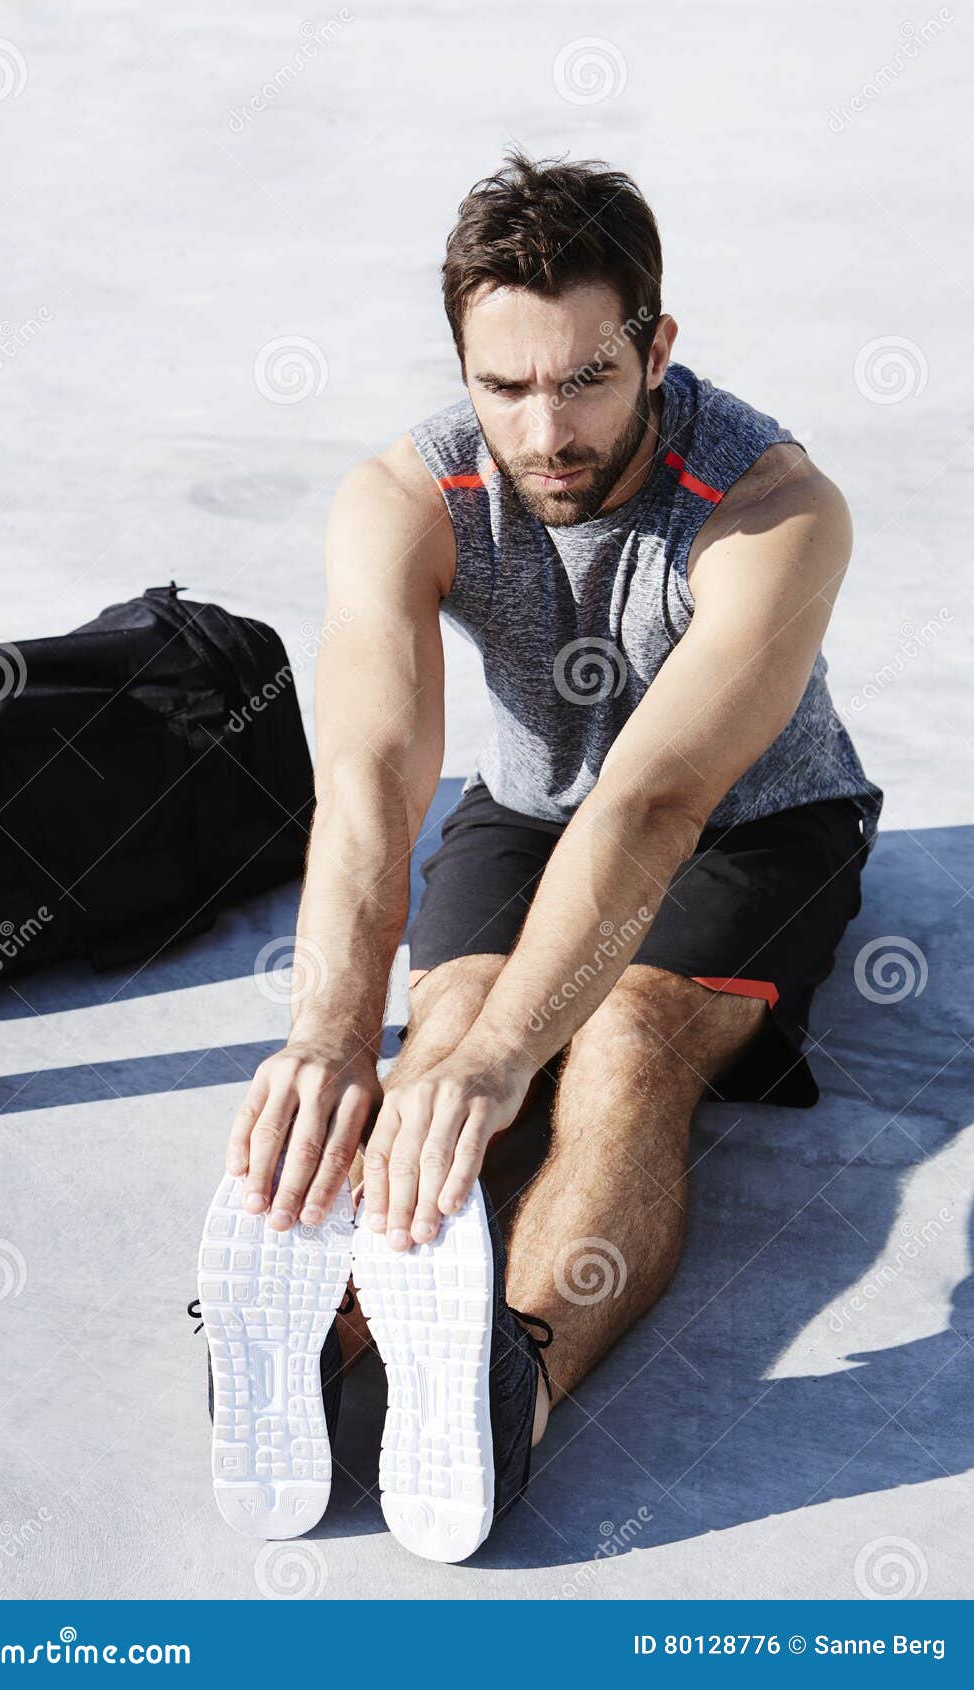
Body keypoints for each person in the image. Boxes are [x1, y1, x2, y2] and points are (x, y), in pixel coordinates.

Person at [203, 147, 884, 1563]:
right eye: (504, 385)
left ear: (657, 346)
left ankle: (505, 1380)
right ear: (461, 364)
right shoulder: (405, 494)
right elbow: (379, 777)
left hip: (755, 820)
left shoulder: (775, 510)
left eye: (586, 377)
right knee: (436, 1022)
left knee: (623, 1036)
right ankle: (324, 1330)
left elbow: (654, 805)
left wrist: (515, 1047)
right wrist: (337, 1031)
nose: (546, 427)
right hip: (527, 806)